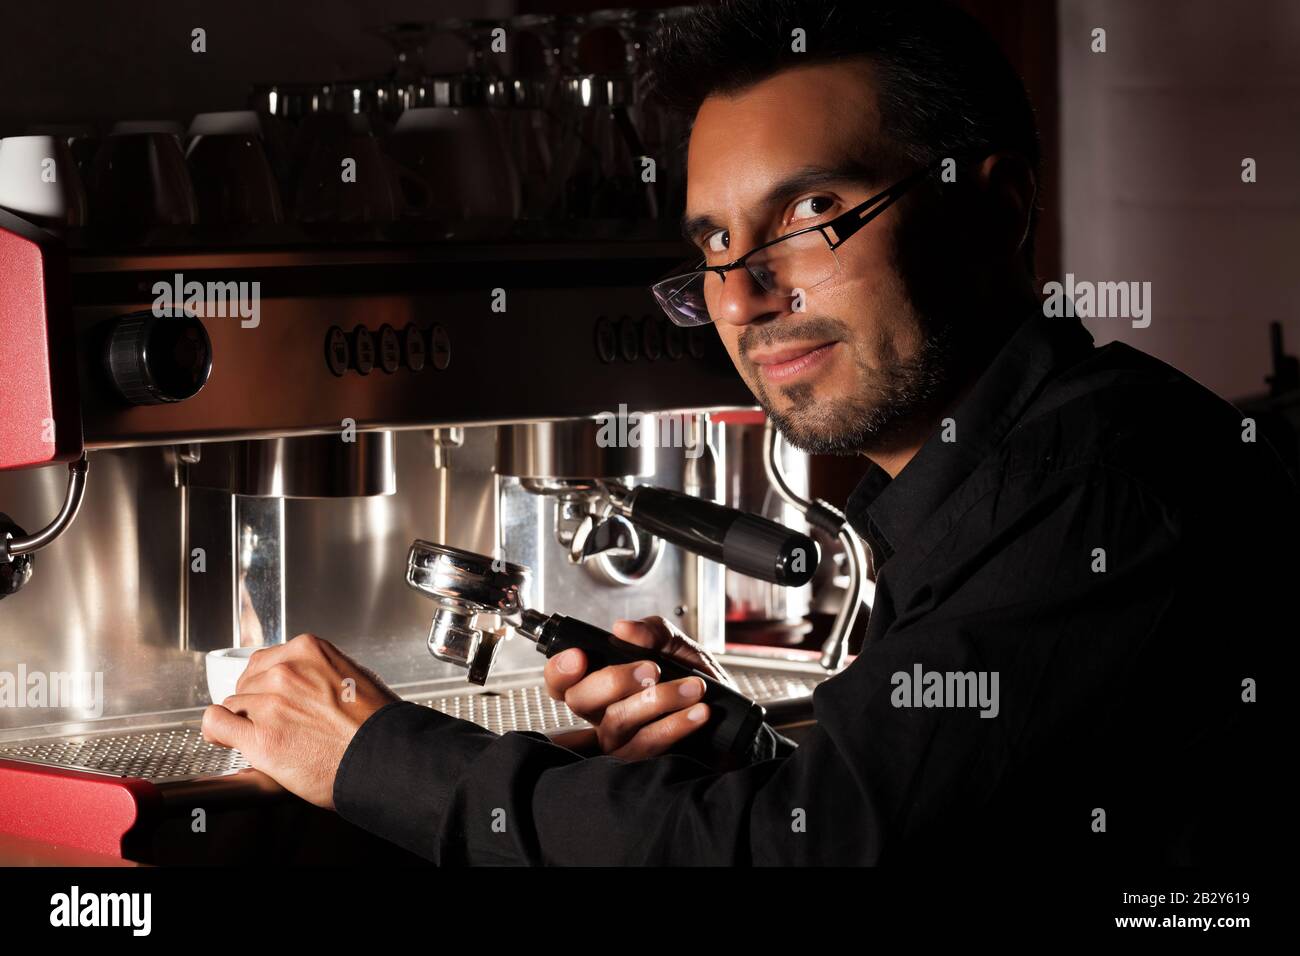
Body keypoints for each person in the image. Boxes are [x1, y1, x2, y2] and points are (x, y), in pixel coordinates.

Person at [202, 0, 1292, 864]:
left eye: (812, 215)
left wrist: (373, 755)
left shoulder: (1102, 486)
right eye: (715, 243)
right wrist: (740, 749)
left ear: (994, 211)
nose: (741, 295)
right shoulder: (996, 487)